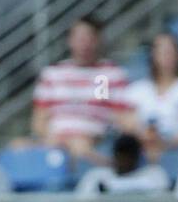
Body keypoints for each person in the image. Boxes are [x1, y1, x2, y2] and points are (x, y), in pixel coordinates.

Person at [30, 17, 132, 160]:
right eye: (79, 38)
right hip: (55, 142)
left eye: (88, 38)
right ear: (70, 41)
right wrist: (61, 141)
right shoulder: (52, 74)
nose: (84, 44)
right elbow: (39, 121)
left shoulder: (109, 74)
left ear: (98, 40)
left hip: (95, 143)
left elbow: (121, 119)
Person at [123, 32, 178, 159]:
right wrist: (147, 138)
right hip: (142, 153)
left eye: (170, 51)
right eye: (161, 51)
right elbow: (128, 126)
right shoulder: (137, 89)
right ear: (152, 55)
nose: (166, 56)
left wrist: (166, 143)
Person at [74, 134, 170, 195]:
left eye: (129, 156)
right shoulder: (96, 176)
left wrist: (108, 187)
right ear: (114, 155)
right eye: (121, 156)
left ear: (137, 156)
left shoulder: (155, 173)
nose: (125, 161)